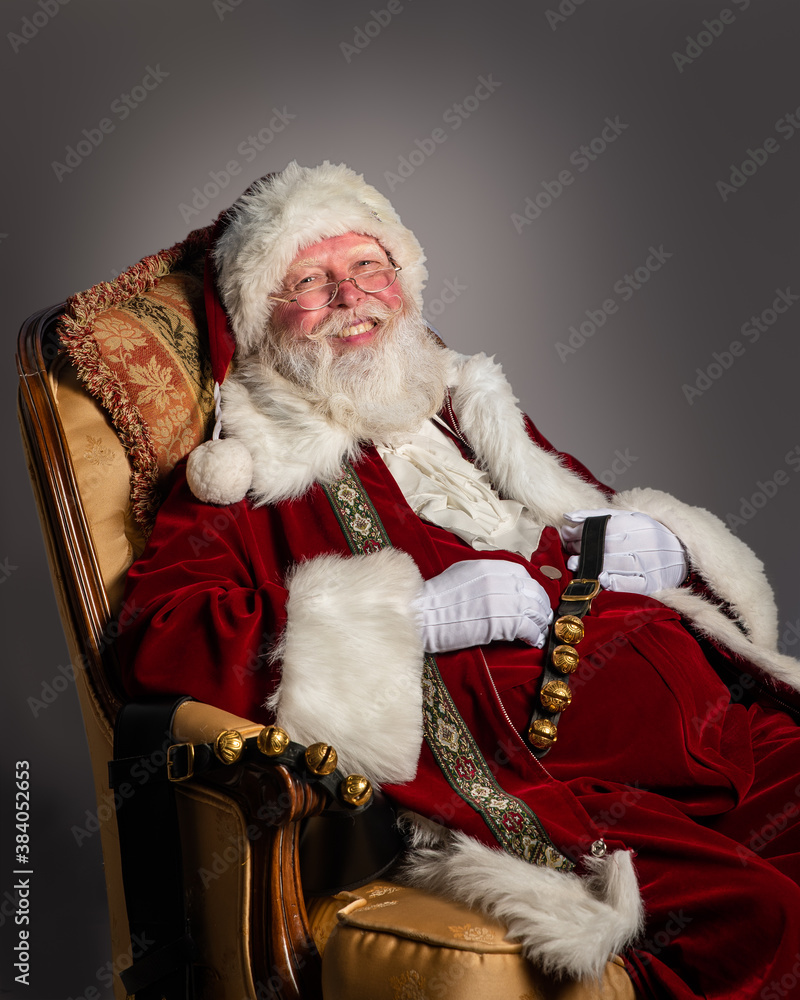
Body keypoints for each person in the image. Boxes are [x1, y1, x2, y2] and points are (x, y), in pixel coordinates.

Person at [117, 161, 800, 999]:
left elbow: (584, 519)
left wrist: (668, 546)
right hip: (560, 778)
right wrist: (413, 616)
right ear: (264, 318)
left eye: (368, 266)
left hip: (719, 730)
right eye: (310, 281)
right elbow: (161, 635)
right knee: (759, 916)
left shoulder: (460, 406)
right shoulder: (251, 466)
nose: (350, 295)